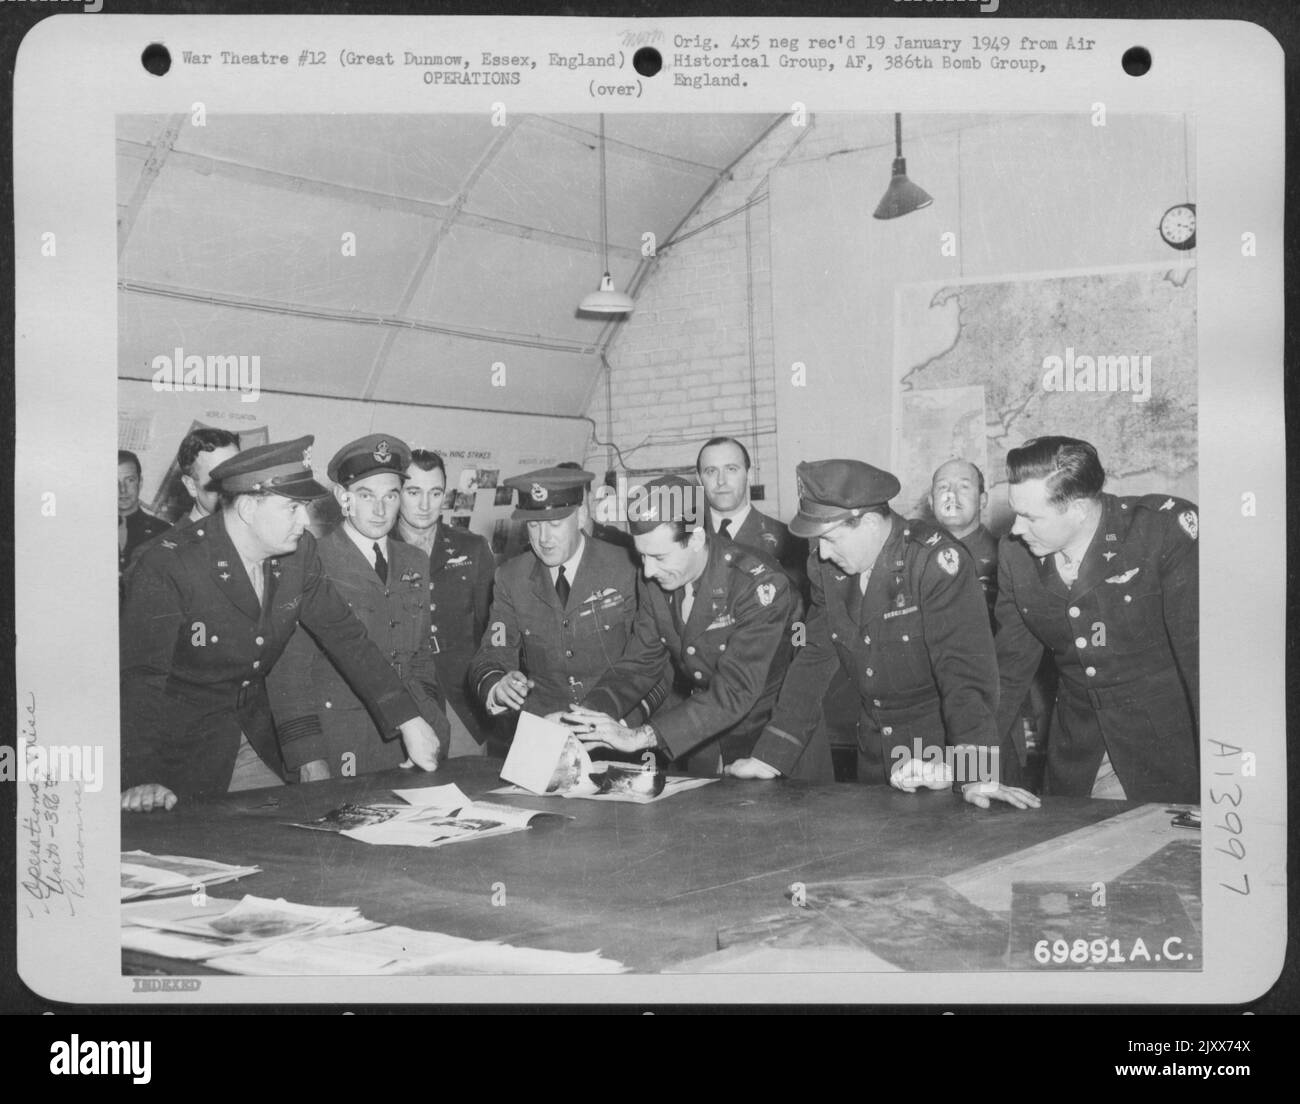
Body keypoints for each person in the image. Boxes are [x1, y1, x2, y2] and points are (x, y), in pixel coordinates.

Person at [120, 436, 442, 812]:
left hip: (256, 734)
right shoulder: (169, 566)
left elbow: (347, 637)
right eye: (292, 508)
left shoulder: (298, 553)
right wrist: (137, 775)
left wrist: (408, 719)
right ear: (246, 508)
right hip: (173, 747)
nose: (305, 521)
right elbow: (139, 679)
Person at [730, 459, 1039, 812]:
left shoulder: (934, 562)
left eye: (830, 539)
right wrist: (772, 756)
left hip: (941, 753)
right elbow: (815, 655)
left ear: (872, 523)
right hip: (876, 751)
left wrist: (975, 774)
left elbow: (965, 674)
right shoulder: (827, 567)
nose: (824, 553)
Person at [992, 436, 1198, 803]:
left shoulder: (1161, 532)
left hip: (1169, 761)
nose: (1016, 529)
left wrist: (1232, 790)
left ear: (1079, 509)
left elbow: (1206, 670)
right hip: (1076, 761)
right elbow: (1005, 674)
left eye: (1031, 517)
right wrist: (969, 772)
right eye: (1015, 512)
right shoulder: (1015, 556)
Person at [566, 475, 798, 777]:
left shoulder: (756, 584)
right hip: (700, 741)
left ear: (697, 539)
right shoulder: (657, 576)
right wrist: (588, 716)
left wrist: (641, 736)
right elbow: (639, 662)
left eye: (660, 556)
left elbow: (735, 690)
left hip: (767, 743)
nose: (648, 571)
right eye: (642, 556)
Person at [267, 435, 451, 779]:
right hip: (337, 745)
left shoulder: (413, 560)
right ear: (343, 497)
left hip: (409, 743)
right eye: (367, 496)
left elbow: (421, 657)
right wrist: (309, 759)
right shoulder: (312, 560)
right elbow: (289, 673)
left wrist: (428, 720)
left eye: (391, 496)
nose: (380, 510)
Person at [467, 466, 659, 731]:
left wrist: (624, 724)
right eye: (534, 525)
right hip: (546, 731)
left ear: (581, 516)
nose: (543, 539)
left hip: (617, 725)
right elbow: (491, 653)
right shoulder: (511, 578)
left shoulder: (628, 569)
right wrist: (498, 685)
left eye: (555, 524)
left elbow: (654, 664)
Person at [392, 449, 497, 756]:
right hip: (403, 700)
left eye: (435, 492)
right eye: (414, 492)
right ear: (398, 493)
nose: (425, 505)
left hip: (460, 702)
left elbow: (489, 630)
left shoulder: (472, 548)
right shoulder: (380, 550)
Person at [930, 458, 997, 617]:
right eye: (942, 487)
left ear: (982, 500)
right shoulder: (913, 557)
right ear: (931, 503)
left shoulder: (1005, 557)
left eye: (964, 486)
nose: (951, 494)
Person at [118, 449, 168, 583]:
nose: (122, 489)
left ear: (140, 483)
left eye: (129, 480)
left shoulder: (164, 533)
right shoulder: (89, 532)